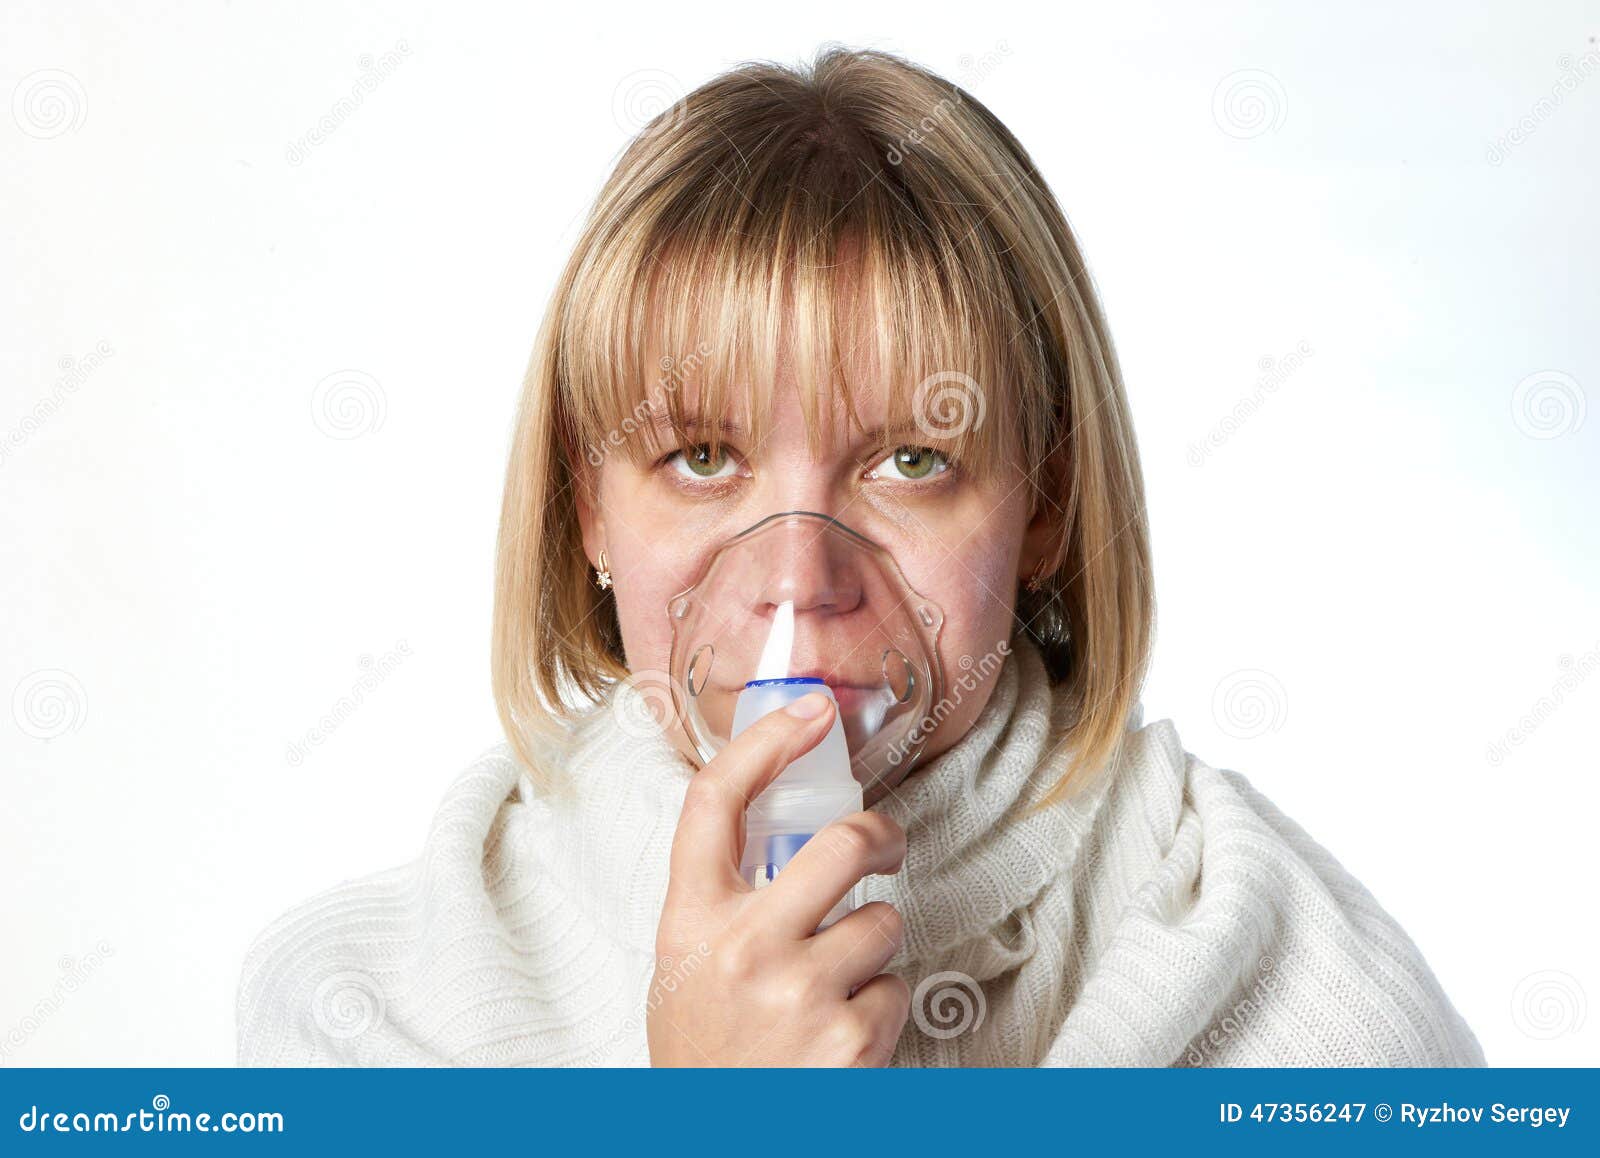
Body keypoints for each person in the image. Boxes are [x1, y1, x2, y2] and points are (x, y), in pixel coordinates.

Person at [237, 45, 1484, 1067]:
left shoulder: (1277, 974)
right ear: (588, 510)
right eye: (701, 457)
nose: (797, 581)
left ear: (1044, 503)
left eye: (911, 460)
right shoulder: (370, 1008)